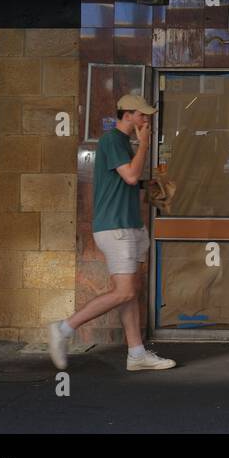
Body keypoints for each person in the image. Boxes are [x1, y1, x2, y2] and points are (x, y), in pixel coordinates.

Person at [47, 93, 176, 373]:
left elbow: (126, 181)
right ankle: (64, 328)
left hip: (127, 225)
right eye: (142, 115)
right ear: (127, 114)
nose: (146, 119)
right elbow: (128, 175)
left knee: (131, 293)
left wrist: (147, 185)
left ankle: (137, 353)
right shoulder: (112, 140)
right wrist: (143, 145)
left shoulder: (122, 144)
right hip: (117, 227)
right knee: (125, 291)